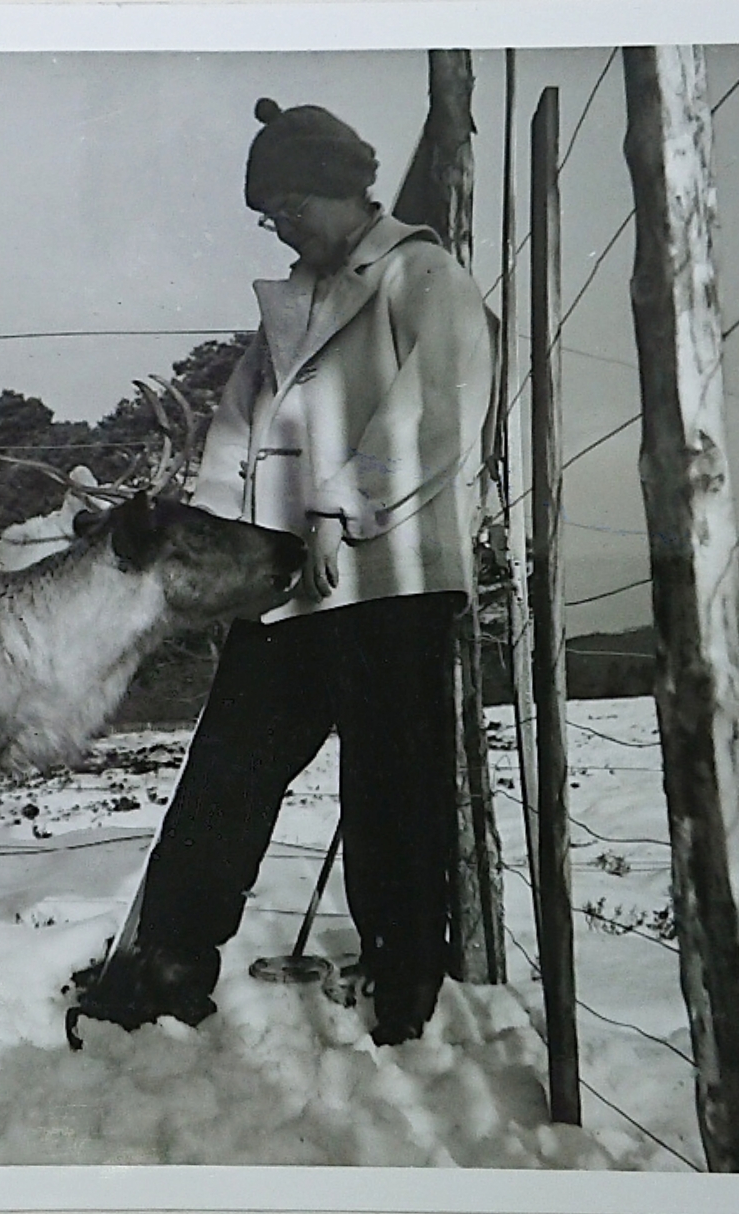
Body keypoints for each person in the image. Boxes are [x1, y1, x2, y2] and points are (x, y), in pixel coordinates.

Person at [75, 97, 495, 1047]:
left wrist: (343, 507)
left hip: (389, 580)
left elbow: (434, 408)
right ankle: (168, 967)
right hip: (284, 588)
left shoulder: (422, 275)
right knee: (226, 773)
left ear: (340, 189)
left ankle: (404, 990)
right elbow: (238, 434)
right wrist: (225, 547)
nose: (277, 227)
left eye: (288, 206)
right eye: (268, 214)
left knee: (392, 790)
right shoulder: (290, 305)